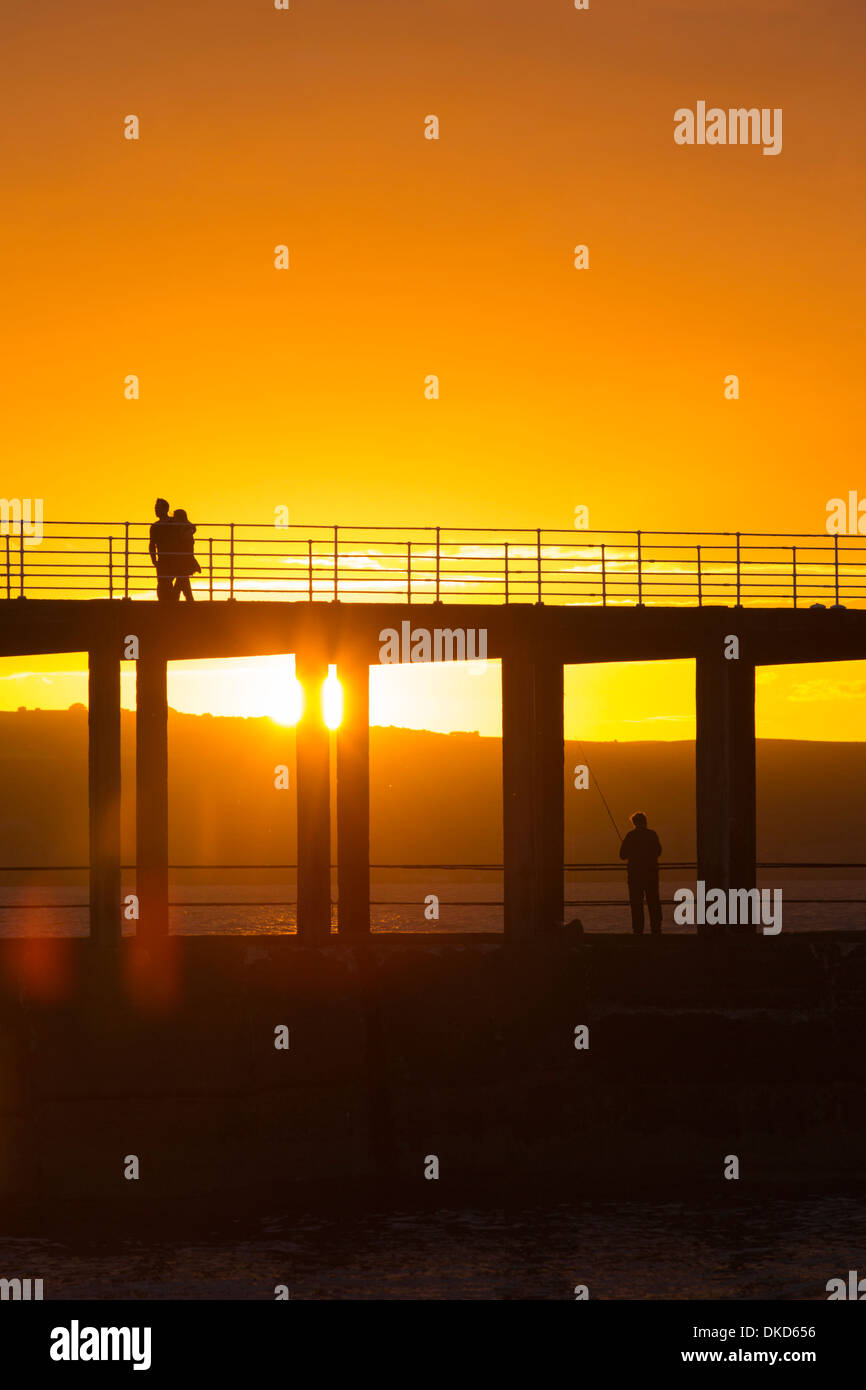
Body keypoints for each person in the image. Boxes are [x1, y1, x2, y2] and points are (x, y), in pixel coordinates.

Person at [619, 811, 662, 935]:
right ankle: (656, 929)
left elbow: (622, 855)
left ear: (634, 823)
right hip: (651, 874)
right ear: (645, 822)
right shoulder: (652, 834)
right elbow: (658, 851)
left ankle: (638, 930)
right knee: (653, 902)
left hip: (635, 876)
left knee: (636, 904)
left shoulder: (630, 835)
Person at [148, 498, 178, 601]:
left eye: (158, 508)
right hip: (163, 559)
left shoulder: (174, 522)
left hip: (174, 558)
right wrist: (154, 559)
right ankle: (167, 602)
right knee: (162, 583)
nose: (156, 510)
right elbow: (152, 544)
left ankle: (168, 602)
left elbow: (191, 528)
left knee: (167, 583)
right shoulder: (155, 526)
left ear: (166, 509)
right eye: (155, 508)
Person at [169, 508, 200, 601]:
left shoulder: (186, 529)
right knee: (183, 581)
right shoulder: (187, 528)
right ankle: (188, 601)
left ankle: (176, 601)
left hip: (184, 560)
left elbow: (184, 540)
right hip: (184, 559)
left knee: (182, 580)